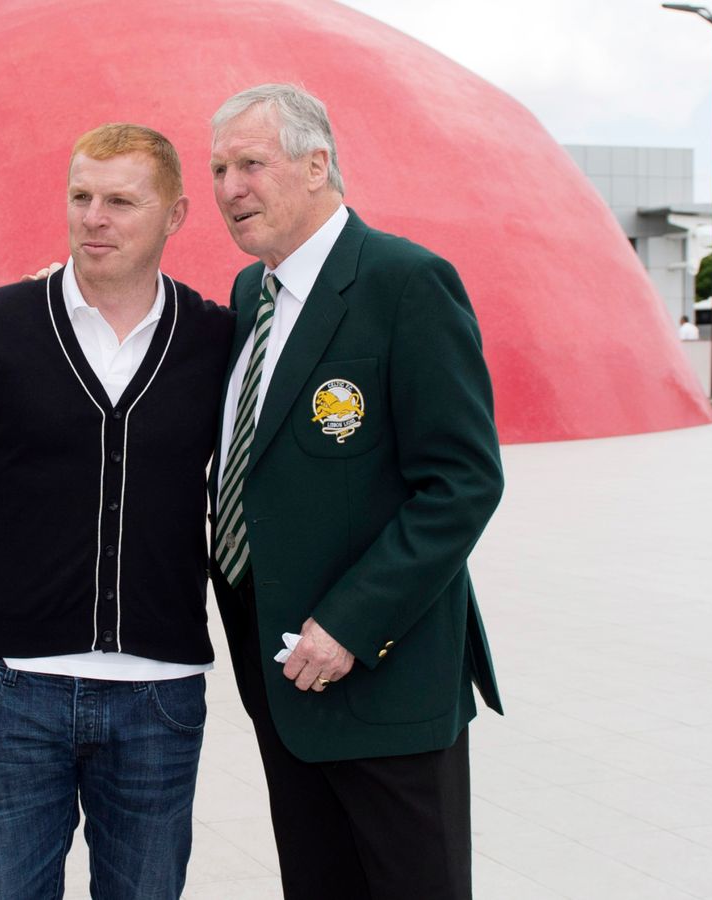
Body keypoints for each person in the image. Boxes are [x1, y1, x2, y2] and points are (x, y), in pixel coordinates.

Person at [0, 123, 233, 899]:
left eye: (120, 200)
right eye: (81, 196)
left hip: (161, 695)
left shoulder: (216, 339)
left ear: (176, 214)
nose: (94, 217)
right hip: (14, 690)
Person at [205, 85, 504, 898]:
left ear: (316, 164)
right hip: (283, 683)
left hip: (383, 680)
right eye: (219, 168)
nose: (230, 188)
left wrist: (347, 624)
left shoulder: (406, 282)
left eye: (251, 163)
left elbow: (463, 481)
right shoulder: (247, 297)